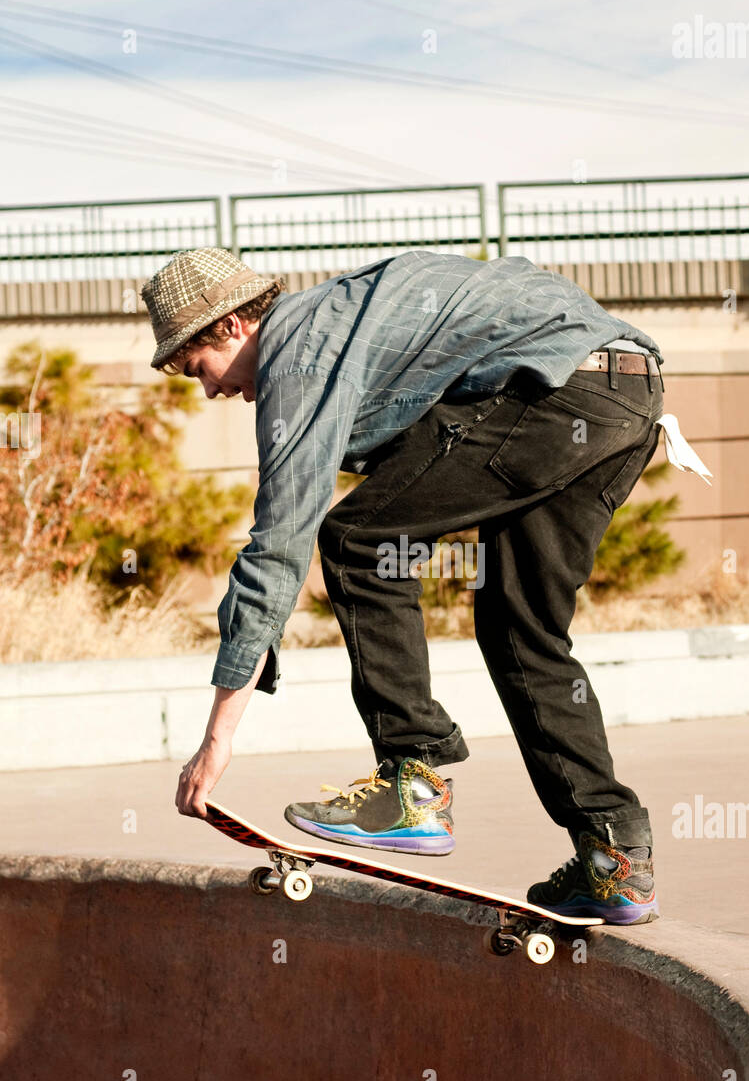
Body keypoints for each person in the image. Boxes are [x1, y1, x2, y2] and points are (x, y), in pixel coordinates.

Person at [142, 246, 708, 924]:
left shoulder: (297, 350)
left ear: (232, 327)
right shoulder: (355, 324)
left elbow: (278, 545)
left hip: (555, 392)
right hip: (625, 394)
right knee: (520, 629)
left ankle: (411, 780)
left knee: (357, 542)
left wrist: (217, 738)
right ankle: (614, 857)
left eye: (197, 368)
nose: (210, 391)